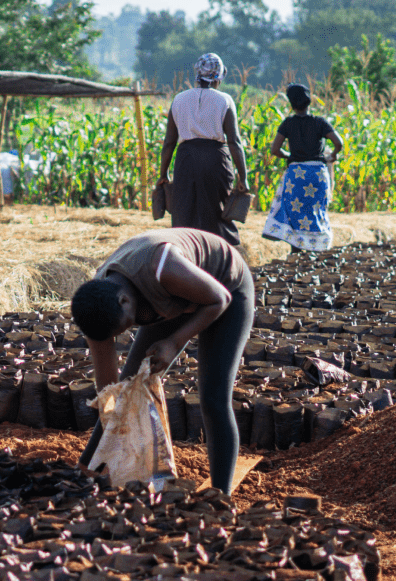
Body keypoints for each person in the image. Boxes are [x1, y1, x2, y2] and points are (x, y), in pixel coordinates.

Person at [71, 228, 253, 494]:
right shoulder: (96, 310)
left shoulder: (162, 267)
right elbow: (110, 392)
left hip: (224, 289)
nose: (123, 333)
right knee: (129, 384)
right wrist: (90, 468)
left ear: (124, 300)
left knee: (213, 399)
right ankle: (87, 467)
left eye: (125, 327)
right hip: (171, 298)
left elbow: (219, 299)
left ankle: (220, 497)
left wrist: (173, 343)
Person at [158, 53, 250, 245]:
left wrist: (163, 173)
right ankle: (220, 257)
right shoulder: (224, 100)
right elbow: (234, 141)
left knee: (184, 212)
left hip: (186, 160)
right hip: (215, 159)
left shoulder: (179, 99)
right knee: (218, 212)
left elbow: (169, 142)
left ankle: (186, 256)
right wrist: (243, 177)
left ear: (197, 75)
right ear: (219, 76)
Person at [262, 83, 344, 252]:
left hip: (296, 176)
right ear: (309, 102)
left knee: (295, 214)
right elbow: (338, 142)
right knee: (316, 211)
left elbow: (275, 150)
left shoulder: (288, 124)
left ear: (291, 104)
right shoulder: (319, 122)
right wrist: (333, 155)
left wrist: (289, 156)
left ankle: (296, 253)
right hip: (317, 174)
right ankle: (316, 250)